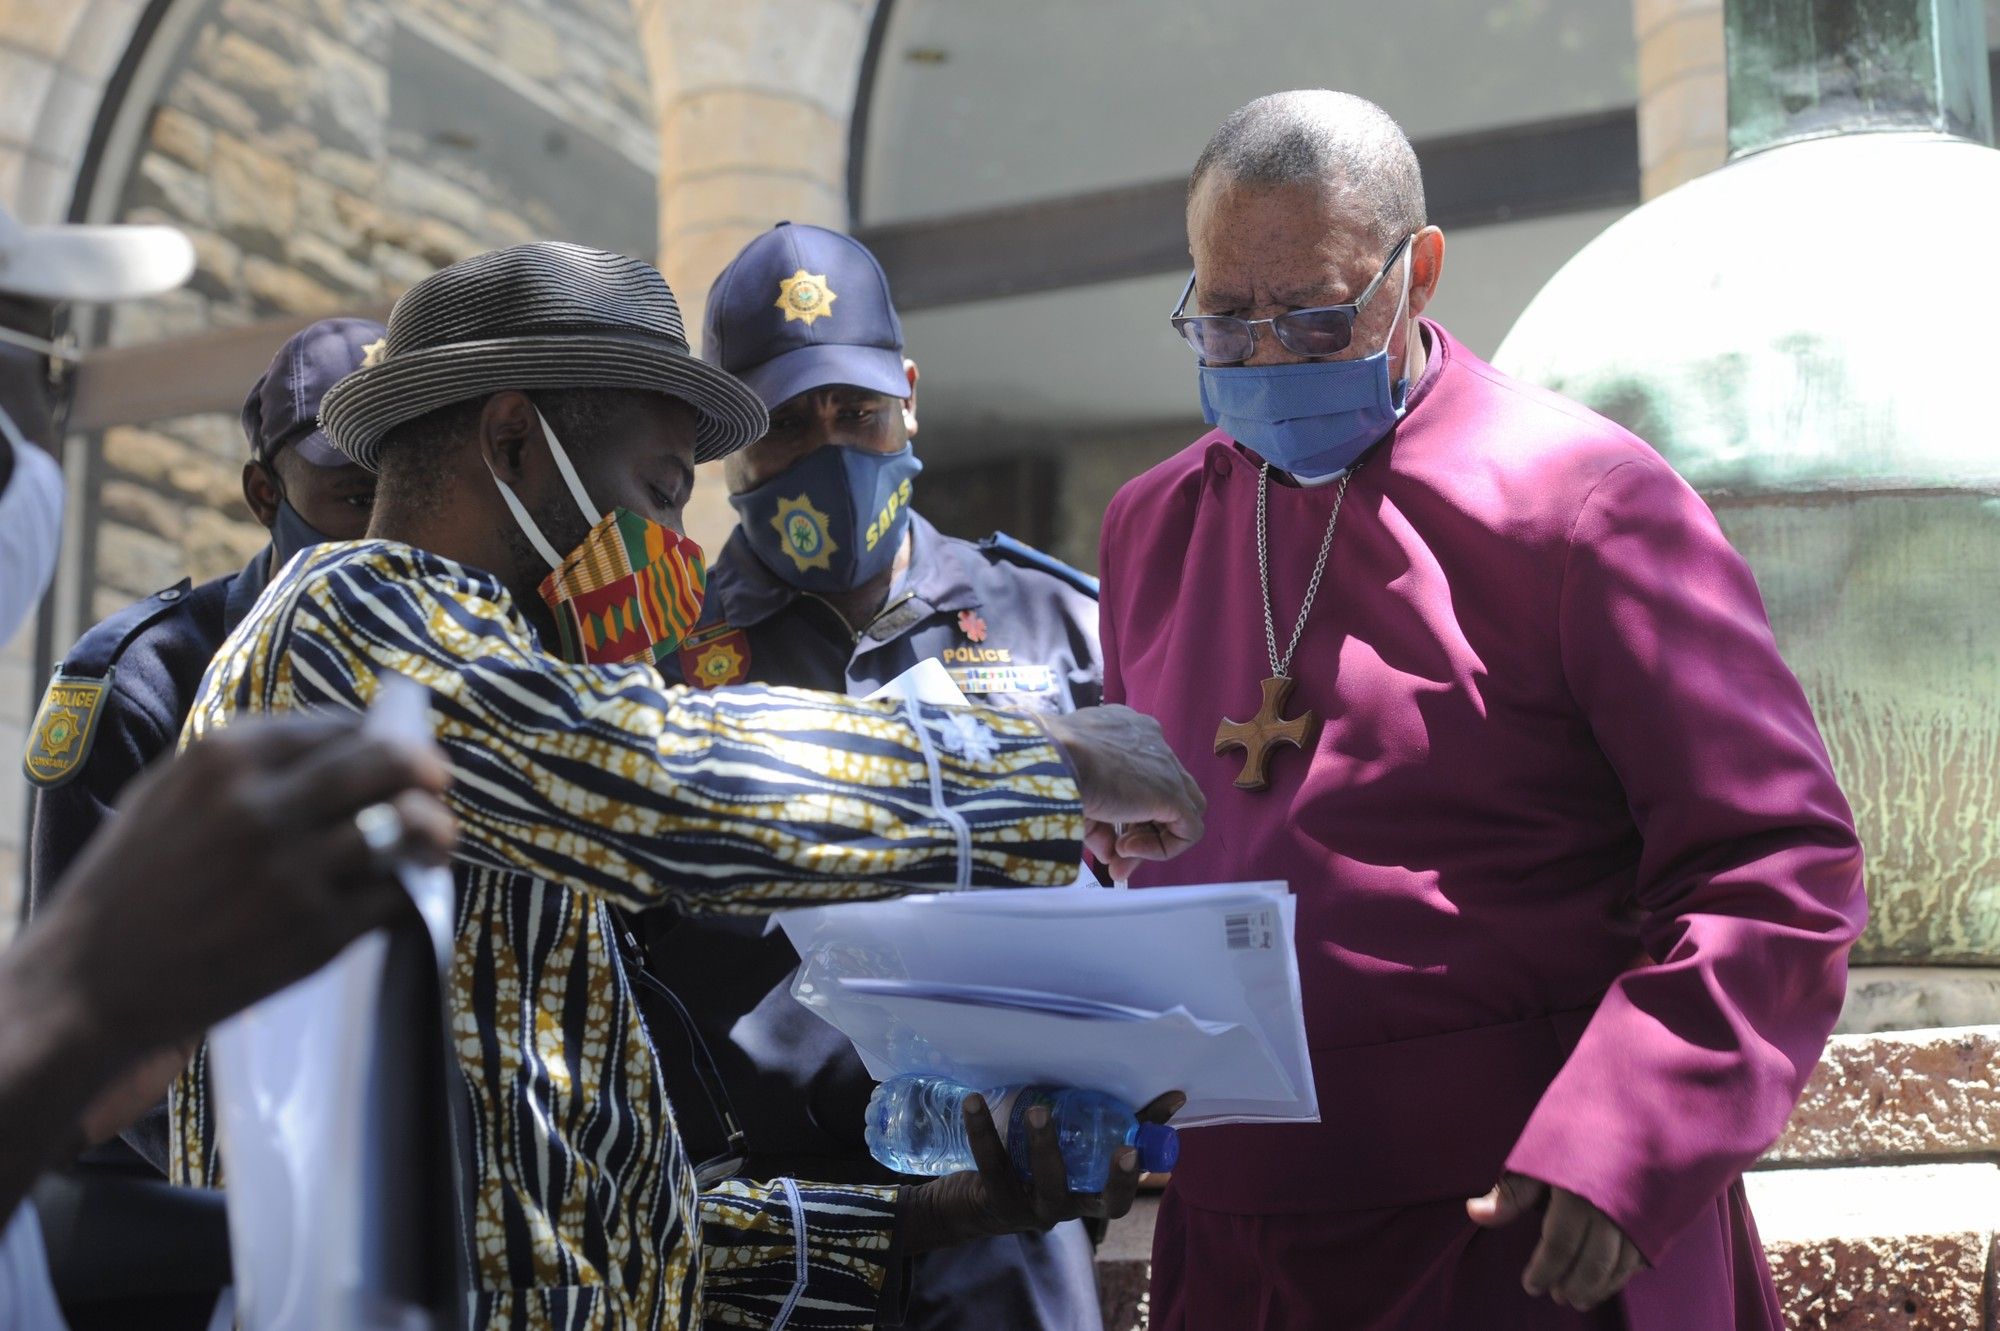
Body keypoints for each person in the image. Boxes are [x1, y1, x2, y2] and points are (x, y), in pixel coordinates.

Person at [168, 240, 1205, 1331]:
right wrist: (1039, 763)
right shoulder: (350, 617)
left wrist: (936, 1212)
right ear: (512, 440)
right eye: (660, 492)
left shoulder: (513, 737)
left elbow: (596, 1207)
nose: (670, 547)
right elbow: (661, 773)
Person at [1099, 90, 1866, 1330]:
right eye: (1225, 322)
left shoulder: (1582, 502)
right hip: (1240, 1248)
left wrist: (1636, 1131)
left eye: (1313, 315)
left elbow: (1775, 865)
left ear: (1417, 273)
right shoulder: (1152, 525)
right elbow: (1144, 850)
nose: (1268, 356)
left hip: (1517, 1231)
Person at [638, 221, 1107, 1331]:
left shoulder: (1059, 624)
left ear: (909, 393)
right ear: (730, 445)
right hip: (777, 1250)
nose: (830, 448)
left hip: (1012, 1234)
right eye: (788, 424)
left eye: (856, 410)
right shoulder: (660, 666)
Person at [26, 316, 387, 1002]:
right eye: (357, 497)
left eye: (407, 488)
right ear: (264, 496)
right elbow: (78, 993)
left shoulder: (465, 669)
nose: (387, 529)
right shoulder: (145, 681)